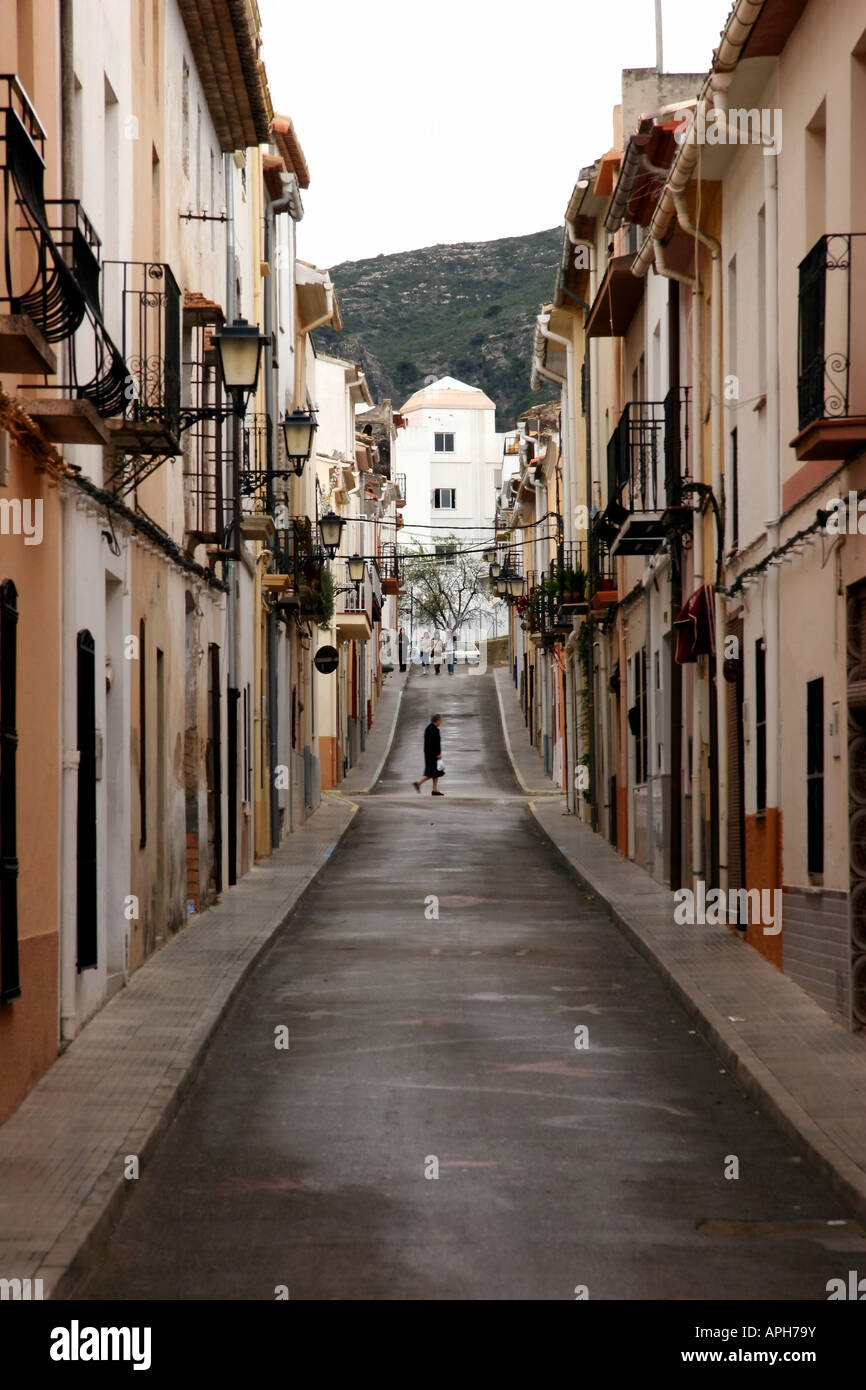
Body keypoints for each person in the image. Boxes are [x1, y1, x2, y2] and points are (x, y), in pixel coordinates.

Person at [414, 714, 444, 795]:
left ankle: (435, 790)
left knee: (436, 772)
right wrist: (438, 753)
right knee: (431, 772)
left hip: (428, 753)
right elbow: (436, 743)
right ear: (437, 720)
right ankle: (418, 783)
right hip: (433, 754)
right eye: (440, 720)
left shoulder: (428, 728)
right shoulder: (434, 730)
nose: (441, 722)